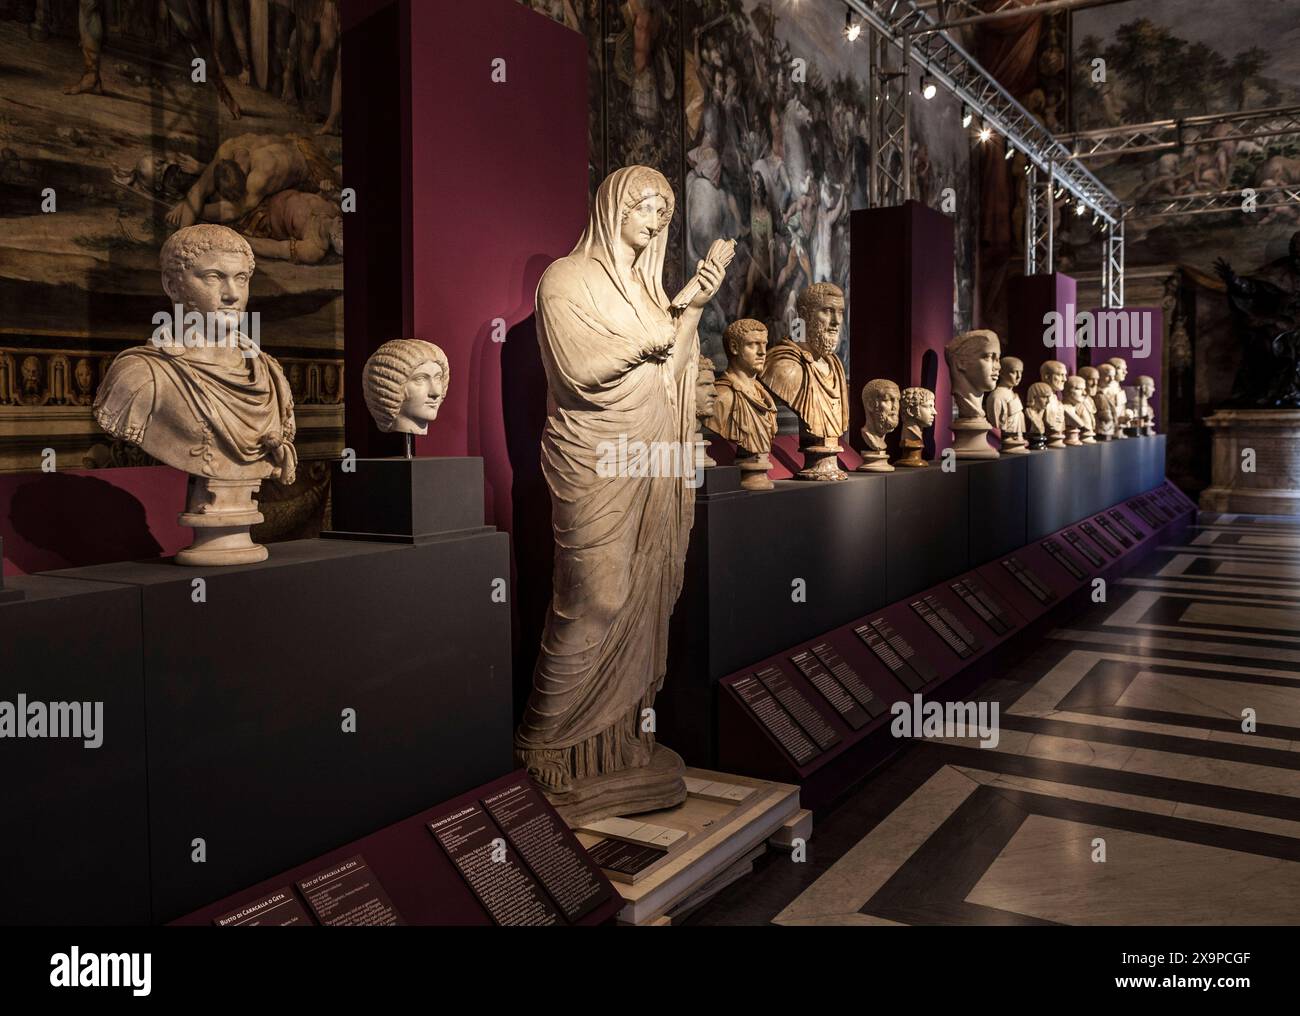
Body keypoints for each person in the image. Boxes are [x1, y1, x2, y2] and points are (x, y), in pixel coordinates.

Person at [515, 167, 726, 805]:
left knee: (648, 589)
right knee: (595, 596)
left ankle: (615, 737)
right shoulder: (564, 279)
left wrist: (690, 305)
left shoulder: (646, 290)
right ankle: (541, 738)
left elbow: (672, 370)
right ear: (610, 206)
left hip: (652, 450)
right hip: (596, 456)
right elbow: (577, 370)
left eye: (665, 208)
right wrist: (655, 333)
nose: (656, 216)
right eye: (643, 203)